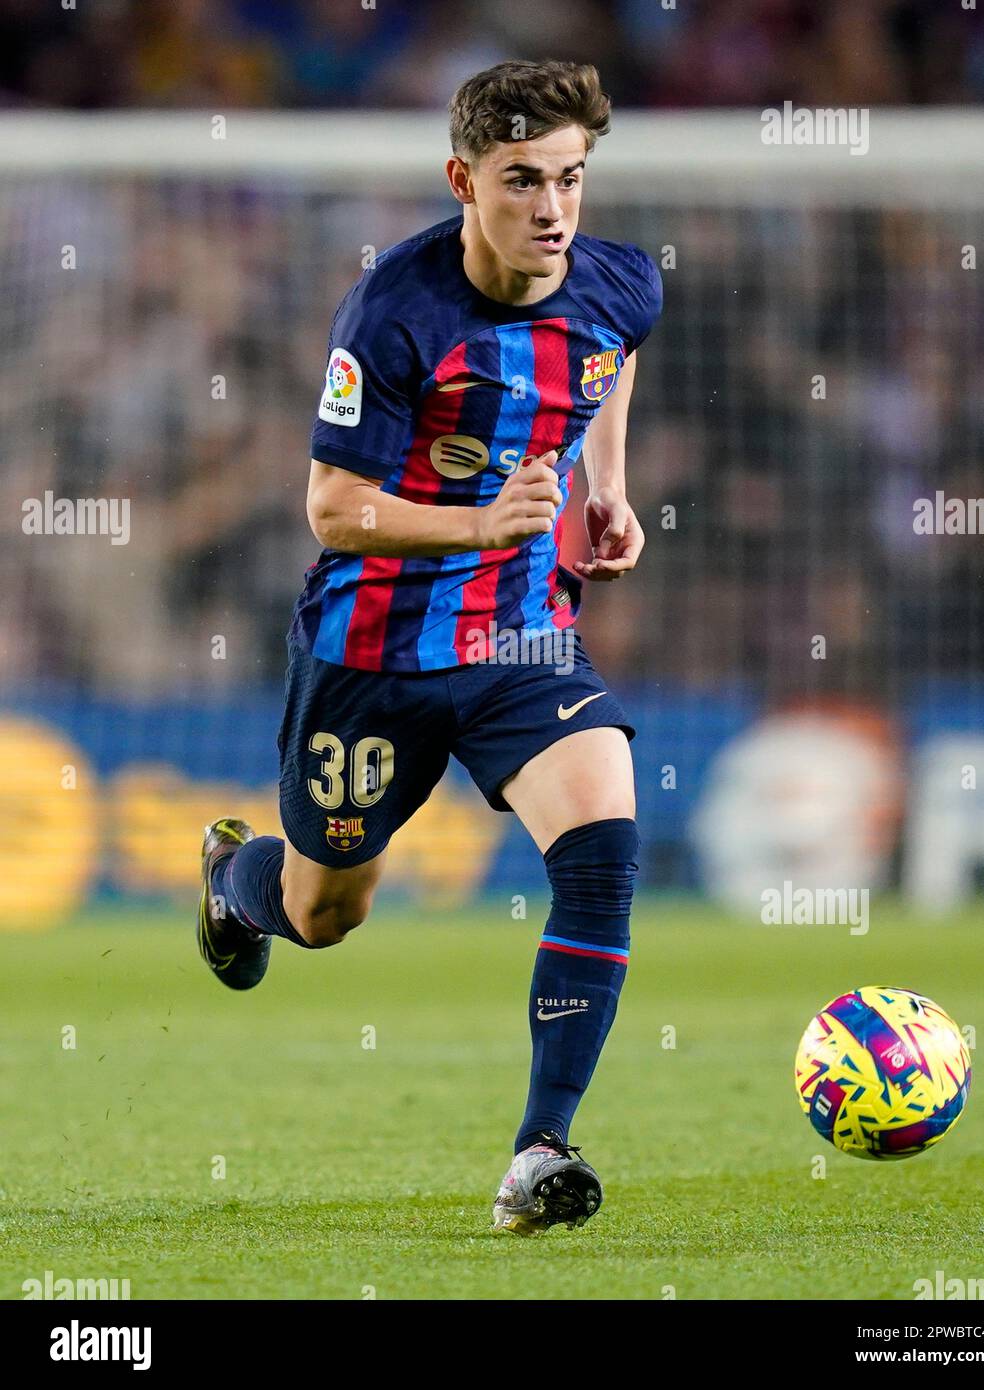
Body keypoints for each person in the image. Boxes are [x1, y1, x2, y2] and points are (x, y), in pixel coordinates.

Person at [196, 58, 663, 1236]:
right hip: (375, 651)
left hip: (521, 633)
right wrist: (479, 519)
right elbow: (331, 507)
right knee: (322, 915)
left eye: (570, 178)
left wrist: (605, 489)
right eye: (521, 182)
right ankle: (231, 884)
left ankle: (538, 1151)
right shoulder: (394, 313)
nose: (552, 210)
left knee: (603, 847)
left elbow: (609, 360)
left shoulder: (616, 282)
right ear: (463, 180)